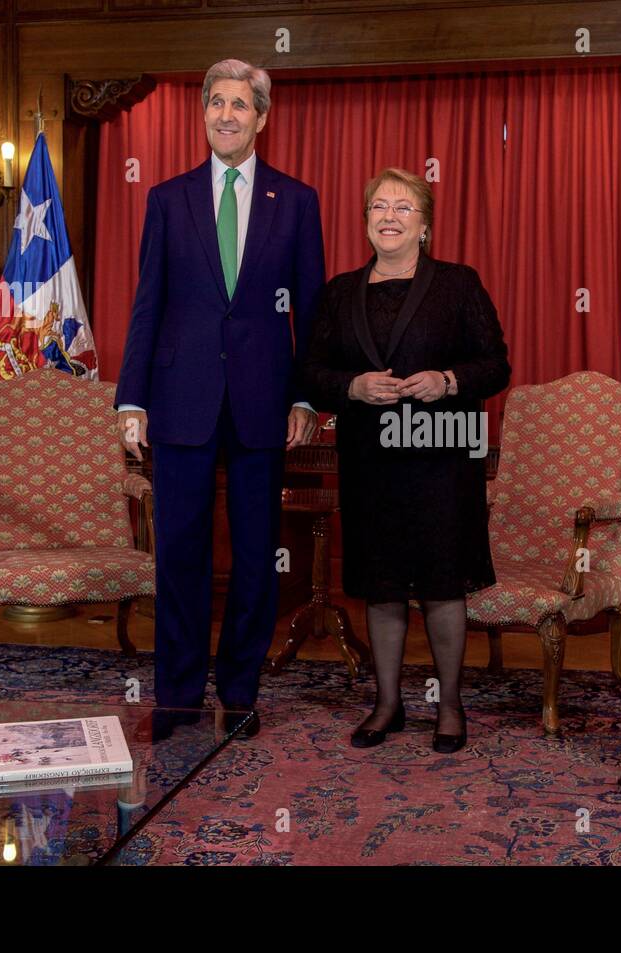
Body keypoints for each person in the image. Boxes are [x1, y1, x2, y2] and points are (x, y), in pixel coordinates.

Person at [115, 58, 325, 738]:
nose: (227, 115)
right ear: (203, 114)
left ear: (262, 117)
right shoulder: (167, 200)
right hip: (179, 400)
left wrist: (305, 398)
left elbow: (311, 314)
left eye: (241, 104)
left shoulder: (295, 201)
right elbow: (147, 303)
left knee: (257, 555)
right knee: (179, 553)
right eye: (216, 104)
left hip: (265, 404)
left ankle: (239, 694)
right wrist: (131, 399)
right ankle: (175, 696)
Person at [300, 167, 510, 753]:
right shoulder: (339, 292)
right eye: (377, 207)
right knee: (383, 585)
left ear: (425, 226)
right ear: (365, 221)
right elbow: (311, 374)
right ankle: (387, 703)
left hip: (442, 456)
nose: (388, 217)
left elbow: (496, 364)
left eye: (403, 208)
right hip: (370, 461)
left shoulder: (458, 284)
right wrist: (352, 387)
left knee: (443, 585)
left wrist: (447, 379)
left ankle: (450, 705)